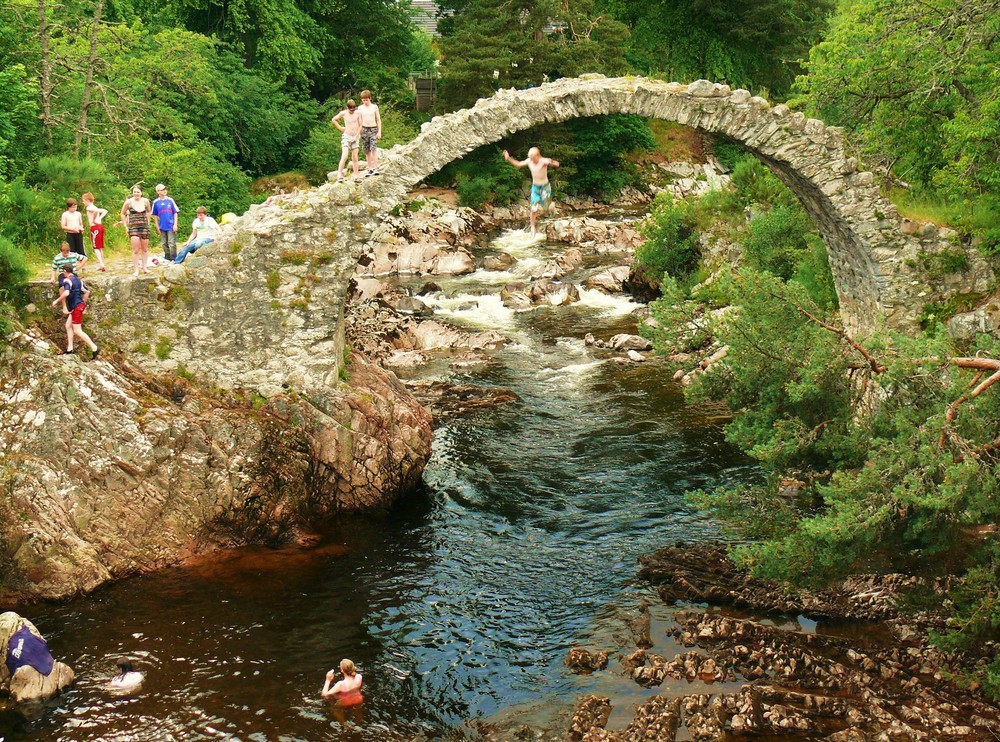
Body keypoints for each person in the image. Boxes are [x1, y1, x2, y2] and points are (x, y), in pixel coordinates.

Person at [502, 147, 561, 235]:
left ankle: (551, 205)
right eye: (530, 158)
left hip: (545, 187)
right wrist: (508, 158)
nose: (531, 160)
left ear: (537, 156)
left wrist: (551, 162)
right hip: (535, 188)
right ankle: (532, 228)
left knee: (546, 208)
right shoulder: (529, 161)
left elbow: (557, 164)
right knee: (533, 209)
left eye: (533, 158)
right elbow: (518, 164)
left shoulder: (543, 161)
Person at [51, 264, 99, 359]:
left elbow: (66, 292)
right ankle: (70, 349)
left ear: (65, 271)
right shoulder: (78, 280)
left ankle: (94, 348)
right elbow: (87, 292)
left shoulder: (67, 280)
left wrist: (57, 301)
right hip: (78, 306)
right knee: (68, 326)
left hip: (76, 307)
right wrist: (83, 305)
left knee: (77, 330)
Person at [117, 185, 152, 276]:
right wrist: (125, 226)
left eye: (137, 192)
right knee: (135, 250)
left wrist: (148, 221)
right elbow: (122, 213)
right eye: (134, 192)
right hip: (133, 227)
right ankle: (136, 270)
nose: (136, 193)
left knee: (145, 249)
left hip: (144, 226)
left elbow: (149, 211)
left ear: (141, 193)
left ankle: (145, 267)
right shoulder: (128, 202)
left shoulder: (146, 201)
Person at [321, 659, 364, 724]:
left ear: (342, 671)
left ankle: (345, 725)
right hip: (359, 698)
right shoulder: (359, 677)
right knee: (358, 711)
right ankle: (359, 721)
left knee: (335, 709)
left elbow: (324, 694)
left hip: (347, 701)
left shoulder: (341, 684)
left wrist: (328, 680)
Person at [332, 99, 363, 181]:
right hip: (347, 136)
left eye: (353, 109)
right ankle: (339, 174)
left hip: (355, 136)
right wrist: (340, 128)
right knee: (345, 155)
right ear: (347, 108)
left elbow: (360, 125)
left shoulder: (358, 113)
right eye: (350, 109)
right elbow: (334, 120)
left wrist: (357, 136)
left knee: (355, 157)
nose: (352, 111)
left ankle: (356, 176)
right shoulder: (344, 113)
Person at [151, 183, 180, 261]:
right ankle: (167, 257)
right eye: (162, 190)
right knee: (164, 243)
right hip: (162, 225)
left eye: (165, 189)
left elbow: (175, 212)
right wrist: (157, 226)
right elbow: (155, 215)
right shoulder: (156, 202)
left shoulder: (170, 200)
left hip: (170, 225)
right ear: (158, 191)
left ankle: (174, 258)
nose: (164, 191)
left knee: (171, 243)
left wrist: (175, 224)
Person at [81, 192, 108, 272]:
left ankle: (101, 264)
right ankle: (102, 263)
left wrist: (94, 219)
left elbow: (96, 211)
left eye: (83, 201)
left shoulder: (89, 207)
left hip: (95, 228)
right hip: (100, 227)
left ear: (87, 200)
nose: (83, 202)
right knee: (99, 247)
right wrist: (99, 218)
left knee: (96, 247)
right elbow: (105, 211)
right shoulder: (94, 206)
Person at [358, 90, 382, 176]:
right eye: (363, 100)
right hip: (364, 129)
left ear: (370, 98)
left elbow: (378, 120)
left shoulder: (374, 107)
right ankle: (370, 168)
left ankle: (375, 168)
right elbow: (359, 121)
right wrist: (359, 133)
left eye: (366, 100)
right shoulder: (360, 108)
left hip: (373, 129)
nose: (365, 101)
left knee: (373, 148)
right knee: (366, 150)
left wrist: (379, 131)